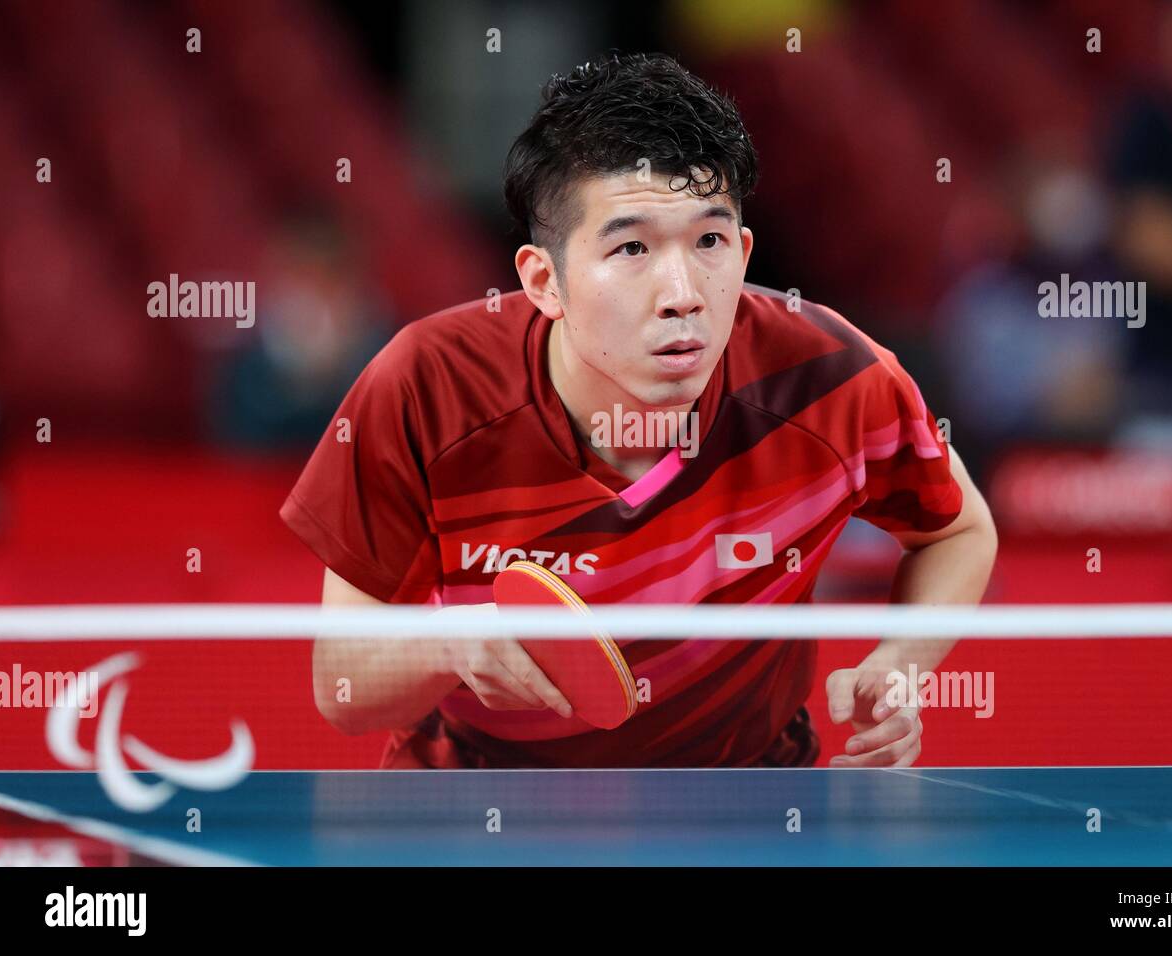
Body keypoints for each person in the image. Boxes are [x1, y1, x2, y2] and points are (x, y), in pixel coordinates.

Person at [281, 52, 997, 769]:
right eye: (632, 247)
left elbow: (956, 530)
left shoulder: (830, 379)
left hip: (749, 816)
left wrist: (900, 665)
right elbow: (341, 689)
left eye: (710, 241)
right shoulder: (425, 388)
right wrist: (448, 644)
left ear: (744, 254)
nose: (683, 291)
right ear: (543, 280)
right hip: (477, 817)